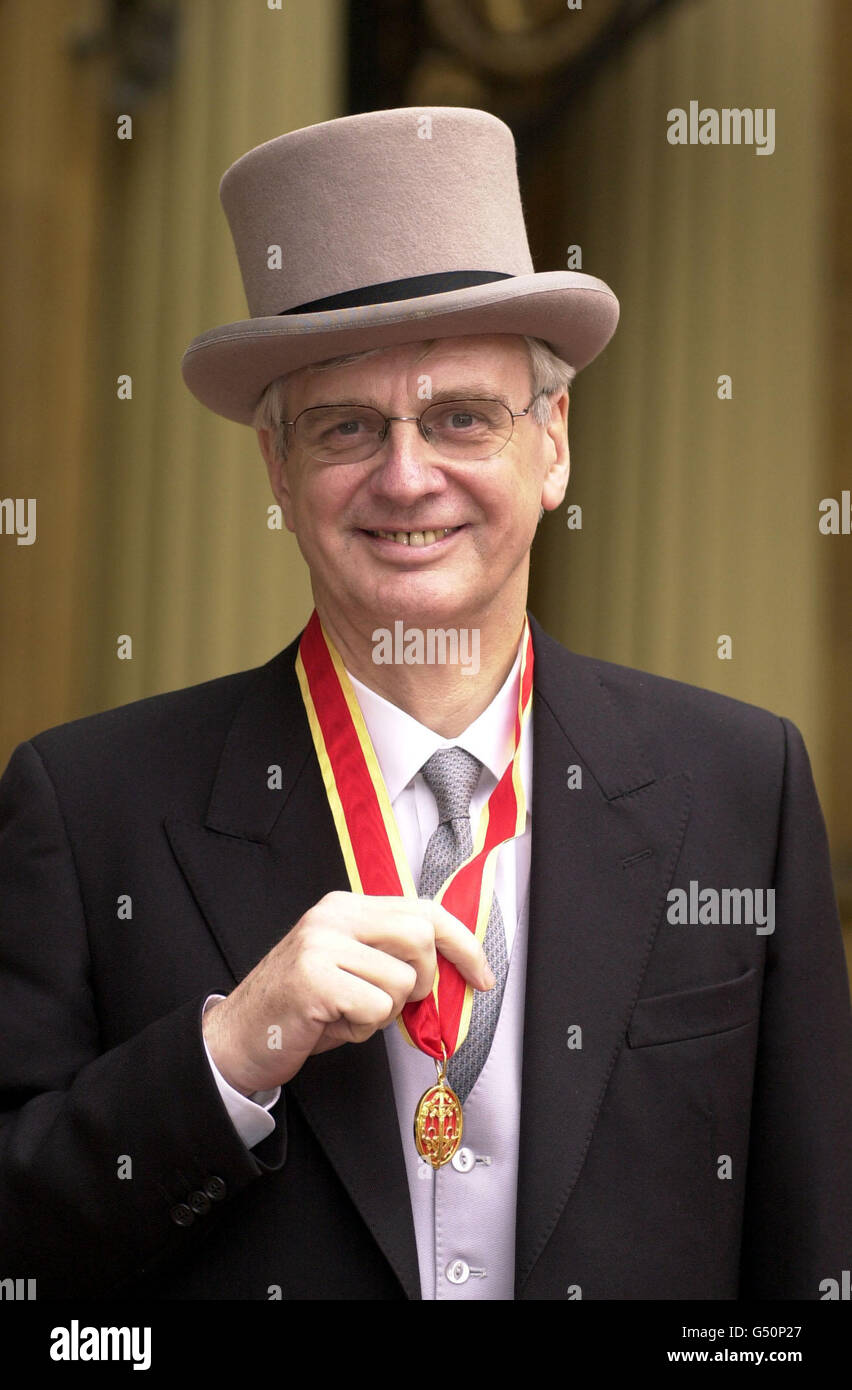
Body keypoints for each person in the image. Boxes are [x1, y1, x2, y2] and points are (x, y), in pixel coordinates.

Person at [0, 107, 850, 1302]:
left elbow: (810, 1249)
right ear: (279, 473)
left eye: (462, 415)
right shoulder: (86, 805)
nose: (408, 475)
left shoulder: (740, 785)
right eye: (348, 426)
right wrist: (230, 1057)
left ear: (553, 445)